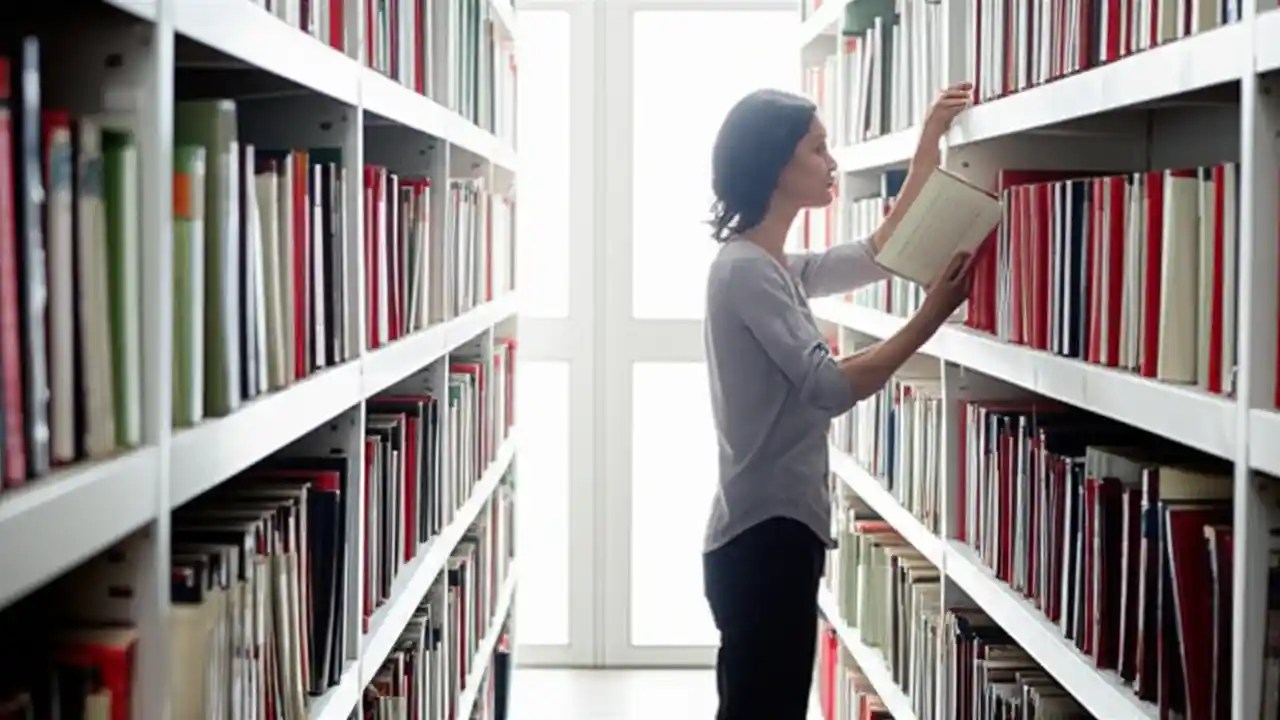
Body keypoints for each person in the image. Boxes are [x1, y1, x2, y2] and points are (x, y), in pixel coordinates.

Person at [700, 81, 976, 720]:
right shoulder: (747, 271)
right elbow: (829, 388)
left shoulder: (775, 266)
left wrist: (929, 142)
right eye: (818, 149)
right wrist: (930, 315)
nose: (833, 163)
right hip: (763, 540)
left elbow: (883, 250)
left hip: (774, 534)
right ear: (776, 165)